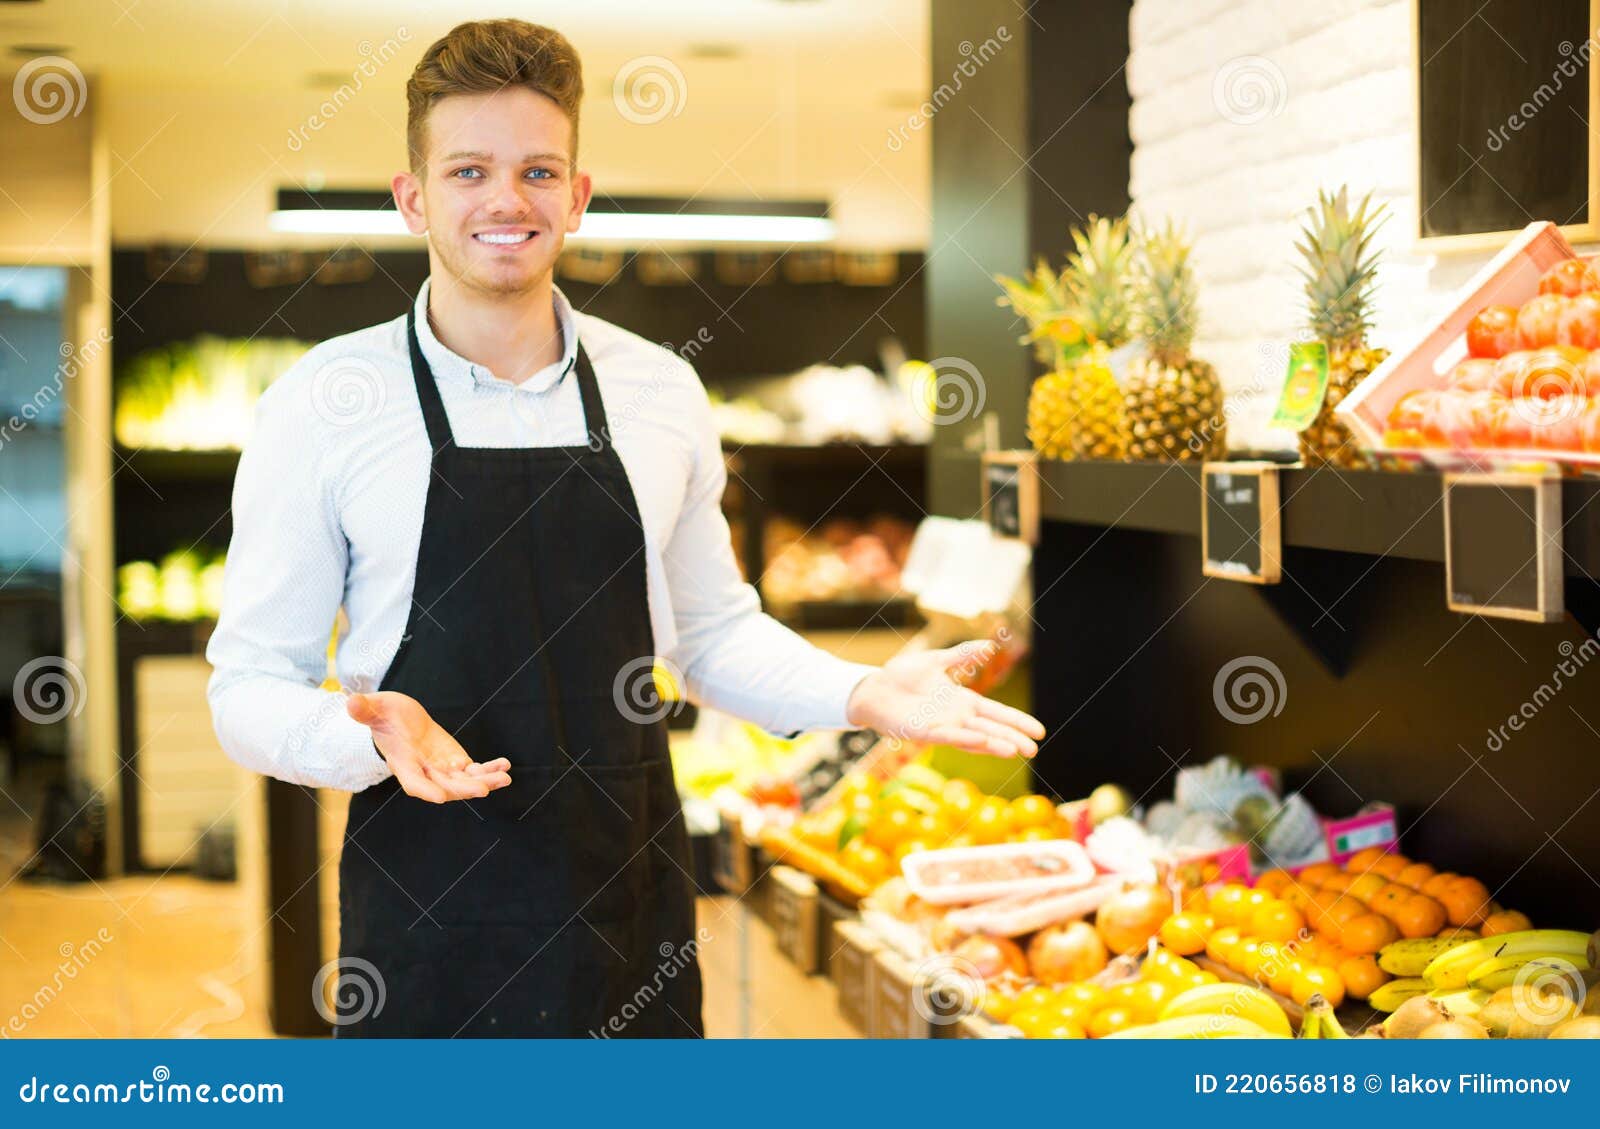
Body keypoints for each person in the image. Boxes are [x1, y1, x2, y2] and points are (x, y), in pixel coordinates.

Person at [206, 18, 1044, 1038]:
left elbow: (709, 637)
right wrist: (362, 737)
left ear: (578, 195)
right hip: (429, 913)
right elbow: (247, 685)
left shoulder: (659, 389)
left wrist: (863, 691)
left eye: (538, 171)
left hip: (625, 907)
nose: (506, 200)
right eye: (468, 170)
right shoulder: (325, 399)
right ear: (412, 197)